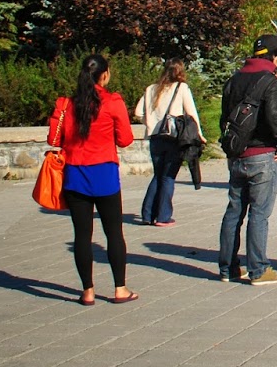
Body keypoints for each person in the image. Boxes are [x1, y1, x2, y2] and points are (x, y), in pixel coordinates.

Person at [48, 54, 139, 305]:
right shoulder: (112, 102)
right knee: (114, 232)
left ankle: (87, 291)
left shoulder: (66, 104)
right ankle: (120, 288)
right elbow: (126, 139)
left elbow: (54, 139)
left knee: (82, 235)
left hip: (75, 174)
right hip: (104, 173)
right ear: (105, 74)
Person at [218, 34, 277, 285]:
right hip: (262, 154)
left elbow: (224, 118)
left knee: (234, 211)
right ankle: (259, 269)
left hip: (237, 154)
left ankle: (228, 268)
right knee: (259, 214)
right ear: (276, 57)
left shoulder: (233, 79)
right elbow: (275, 119)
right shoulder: (270, 81)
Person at [132, 59, 199, 227]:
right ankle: (163, 216)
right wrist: (199, 135)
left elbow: (138, 112)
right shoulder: (181, 88)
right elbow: (191, 114)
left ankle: (148, 214)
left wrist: (150, 122)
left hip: (155, 137)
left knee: (158, 174)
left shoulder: (151, 89)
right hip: (173, 138)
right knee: (168, 177)